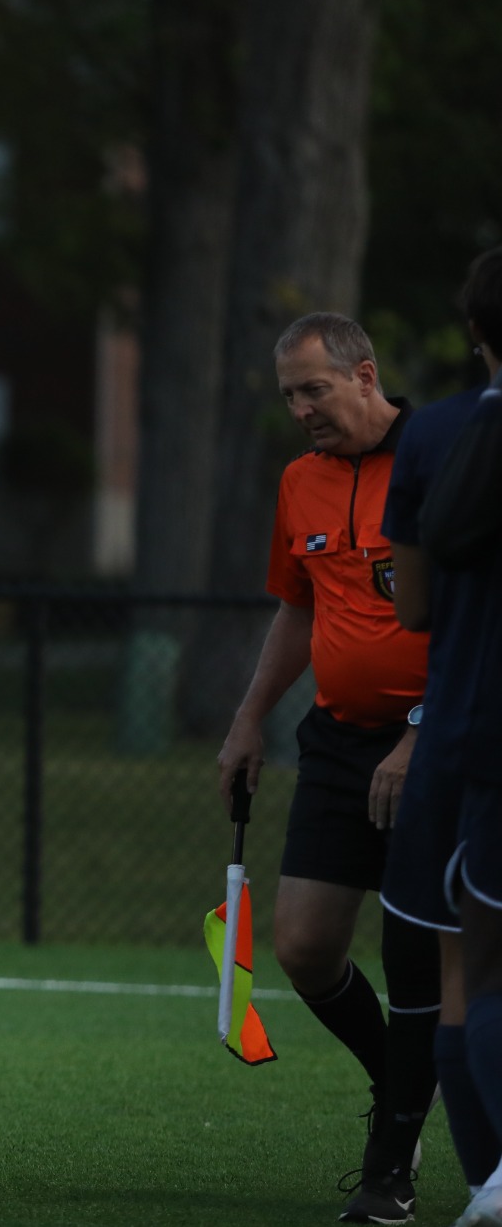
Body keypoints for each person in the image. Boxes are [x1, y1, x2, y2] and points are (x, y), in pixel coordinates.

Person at [213, 312, 440, 1224]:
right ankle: (406, 1090)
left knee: (418, 958)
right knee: (304, 947)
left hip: (437, 741)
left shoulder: (436, 462)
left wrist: (421, 734)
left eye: (314, 388)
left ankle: (390, 1168)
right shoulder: (298, 483)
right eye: (288, 395)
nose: (301, 408)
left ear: (365, 374)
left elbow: (475, 617)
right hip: (339, 744)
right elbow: (298, 610)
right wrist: (247, 720)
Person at [382, 249, 502, 1224]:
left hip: (456, 731)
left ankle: (484, 1183)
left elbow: (411, 608)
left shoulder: (428, 435)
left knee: (464, 972)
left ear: (474, 331)